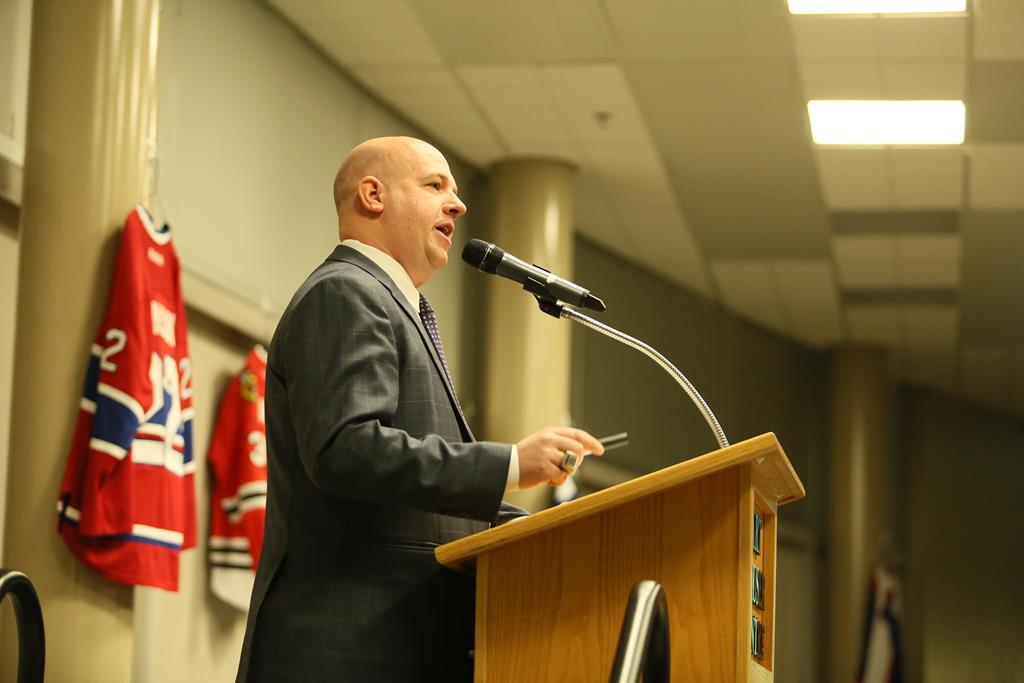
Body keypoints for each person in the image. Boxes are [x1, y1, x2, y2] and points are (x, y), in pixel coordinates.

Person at [236, 136, 604, 682]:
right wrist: (507, 464)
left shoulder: (393, 305)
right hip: (349, 652)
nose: (458, 204)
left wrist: (569, 532)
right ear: (372, 195)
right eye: (436, 185)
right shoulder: (345, 291)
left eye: (454, 191)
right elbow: (346, 449)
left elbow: (429, 513)